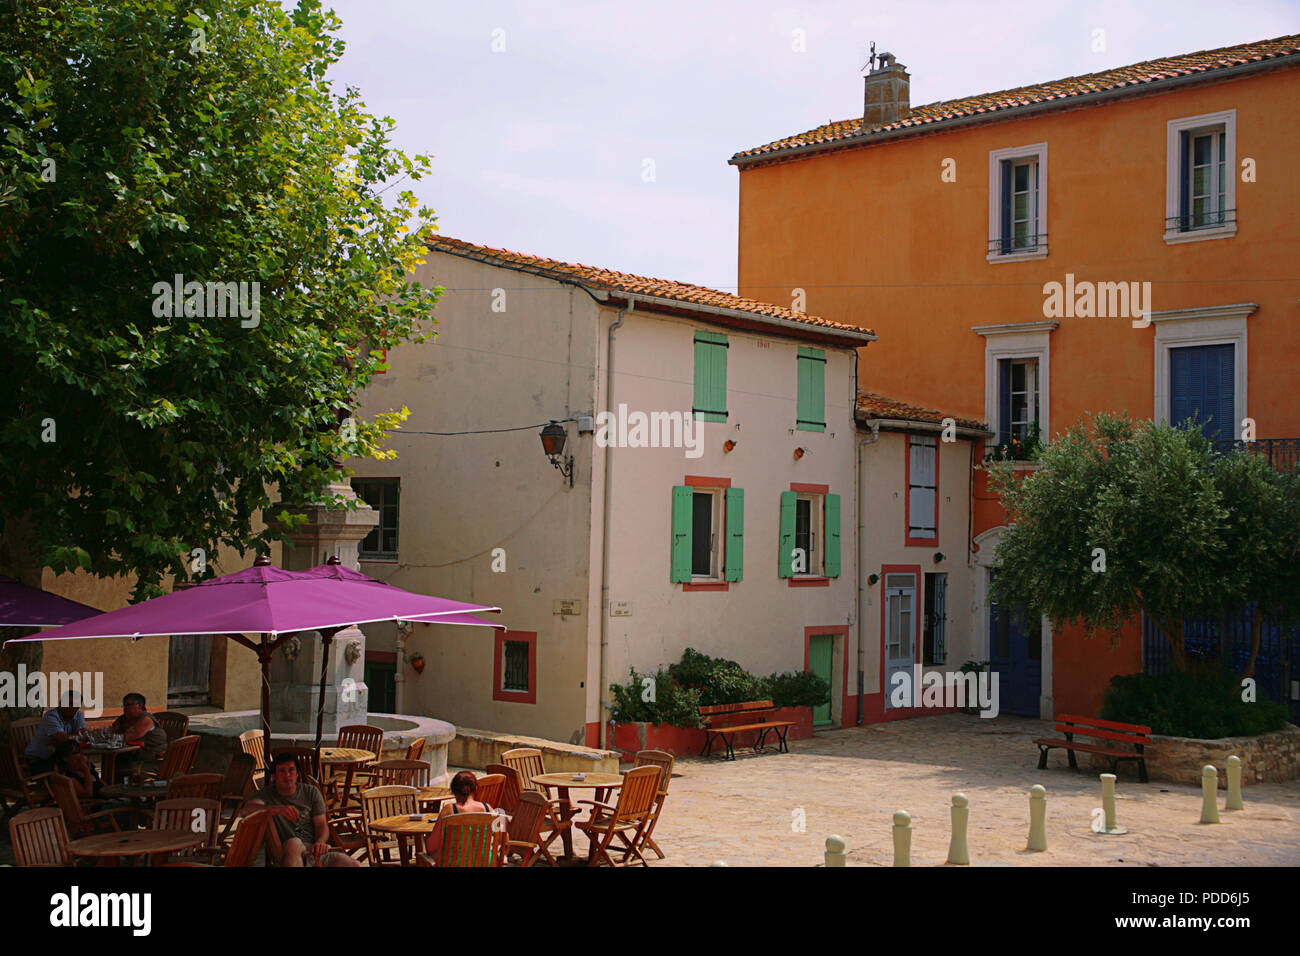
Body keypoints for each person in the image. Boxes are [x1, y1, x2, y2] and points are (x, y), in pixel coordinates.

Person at [242, 752, 359, 867]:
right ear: (273, 776)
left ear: (297, 774)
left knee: (354, 864)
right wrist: (276, 809)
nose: (287, 775)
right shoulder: (267, 795)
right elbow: (246, 811)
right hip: (288, 851)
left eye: (291, 770)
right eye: (282, 771)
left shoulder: (310, 792)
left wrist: (320, 842)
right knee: (294, 843)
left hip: (314, 850)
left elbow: (321, 825)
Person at [425, 770, 503, 858]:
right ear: (475, 789)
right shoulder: (487, 809)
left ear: (453, 791)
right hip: (484, 862)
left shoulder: (449, 810)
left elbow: (431, 847)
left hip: (455, 863)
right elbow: (502, 838)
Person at [23, 690, 87, 774]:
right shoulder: (51, 716)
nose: (72, 707)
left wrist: (78, 736)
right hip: (38, 759)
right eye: (69, 703)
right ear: (61, 703)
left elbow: (84, 734)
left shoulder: (78, 714)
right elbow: (63, 739)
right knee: (78, 768)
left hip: (59, 756)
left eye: (76, 704)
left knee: (84, 765)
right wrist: (78, 736)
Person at [108, 693, 168, 779]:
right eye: (124, 705)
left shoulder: (146, 719)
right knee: (112, 761)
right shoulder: (124, 718)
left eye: (128, 705)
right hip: (134, 754)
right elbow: (110, 731)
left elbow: (128, 737)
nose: (125, 708)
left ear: (139, 705)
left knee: (120, 764)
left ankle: (120, 788)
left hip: (152, 758)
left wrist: (113, 735)